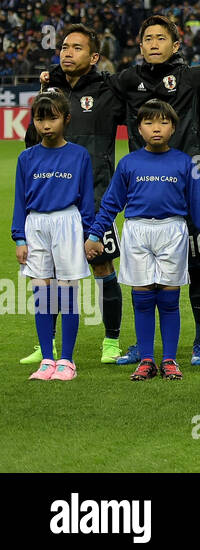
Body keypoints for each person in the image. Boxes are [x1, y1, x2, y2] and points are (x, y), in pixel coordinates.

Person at [83, 99, 200, 381]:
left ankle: (170, 360)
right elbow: (111, 203)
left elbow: (198, 204)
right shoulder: (129, 163)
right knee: (144, 298)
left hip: (173, 231)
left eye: (163, 122)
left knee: (170, 299)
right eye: (149, 123)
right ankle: (147, 360)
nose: (156, 128)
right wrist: (95, 234)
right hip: (137, 231)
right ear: (138, 129)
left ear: (173, 127)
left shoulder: (185, 162)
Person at [21, 24, 125, 365]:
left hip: (96, 195)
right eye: (64, 46)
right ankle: (46, 344)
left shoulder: (110, 89)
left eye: (77, 48)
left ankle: (111, 341)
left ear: (94, 57)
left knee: (101, 265)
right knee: (49, 274)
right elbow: (30, 142)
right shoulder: (49, 90)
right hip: (53, 202)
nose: (67, 52)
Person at [14, 92, 96, 381]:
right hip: (36, 226)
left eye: (52, 118)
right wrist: (19, 238)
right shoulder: (26, 158)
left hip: (68, 223)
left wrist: (90, 235)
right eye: (40, 118)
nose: (46, 125)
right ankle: (47, 359)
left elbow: (87, 199)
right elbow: (20, 202)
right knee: (42, 295)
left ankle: (67, 361)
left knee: (67, 294)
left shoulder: (78, 155)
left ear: (66, 119)